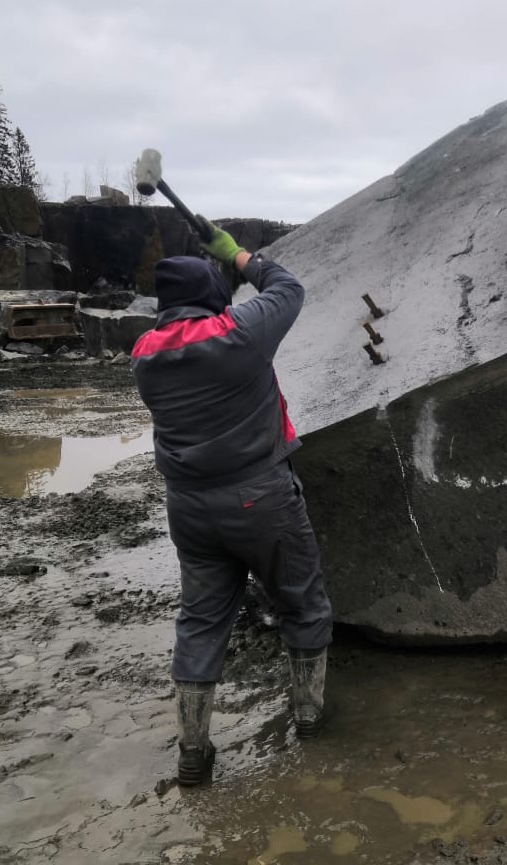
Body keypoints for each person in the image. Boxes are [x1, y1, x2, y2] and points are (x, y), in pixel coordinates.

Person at [131, 221, 332, 786]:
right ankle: (311, 716)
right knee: (302, 602)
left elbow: (190, 329)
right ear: (211, 297)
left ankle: (194, 747)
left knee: (200, 621)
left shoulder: (143, 357)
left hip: (190, 510)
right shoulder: (238, 335)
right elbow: (288, 290)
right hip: (259, 498)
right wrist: (240, 256)